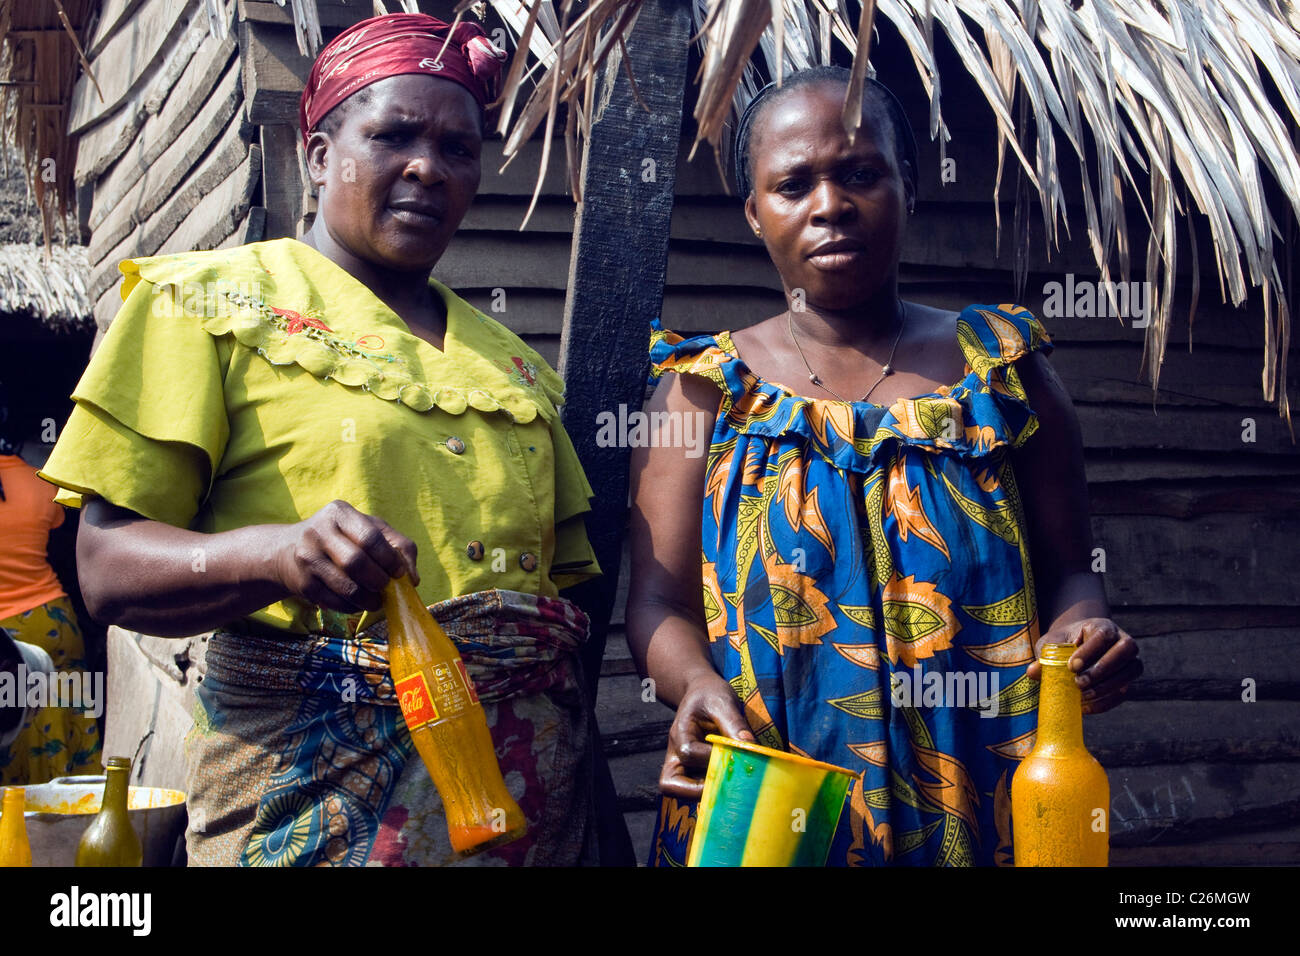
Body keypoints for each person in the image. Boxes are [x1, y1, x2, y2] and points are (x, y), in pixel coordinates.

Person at [39, 13, 617, 866]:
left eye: (460, 149)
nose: (428, 166)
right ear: (317, 155)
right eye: (392, 135)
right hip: (312, 795)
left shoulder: (517, 372)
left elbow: (555, 625)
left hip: (529, 803)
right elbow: (105, 571)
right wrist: (272, 555)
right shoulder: (207, 305)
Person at [627, 66, 1142, 867]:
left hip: (984, 778)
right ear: (756, 215)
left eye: (860, 173)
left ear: (911, 189)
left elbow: (1072, 571)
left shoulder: (1003, 372)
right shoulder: (703, 394)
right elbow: (659, 605)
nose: (830, 204)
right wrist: (693, 684)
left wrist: (1085, 637)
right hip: (774, 793)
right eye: (793, 185)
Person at [0, 391, 102, 784]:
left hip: (4, 644)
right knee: (62, 727)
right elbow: (61, 533)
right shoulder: (42, 485)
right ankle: (65, 826)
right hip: (53, 622)